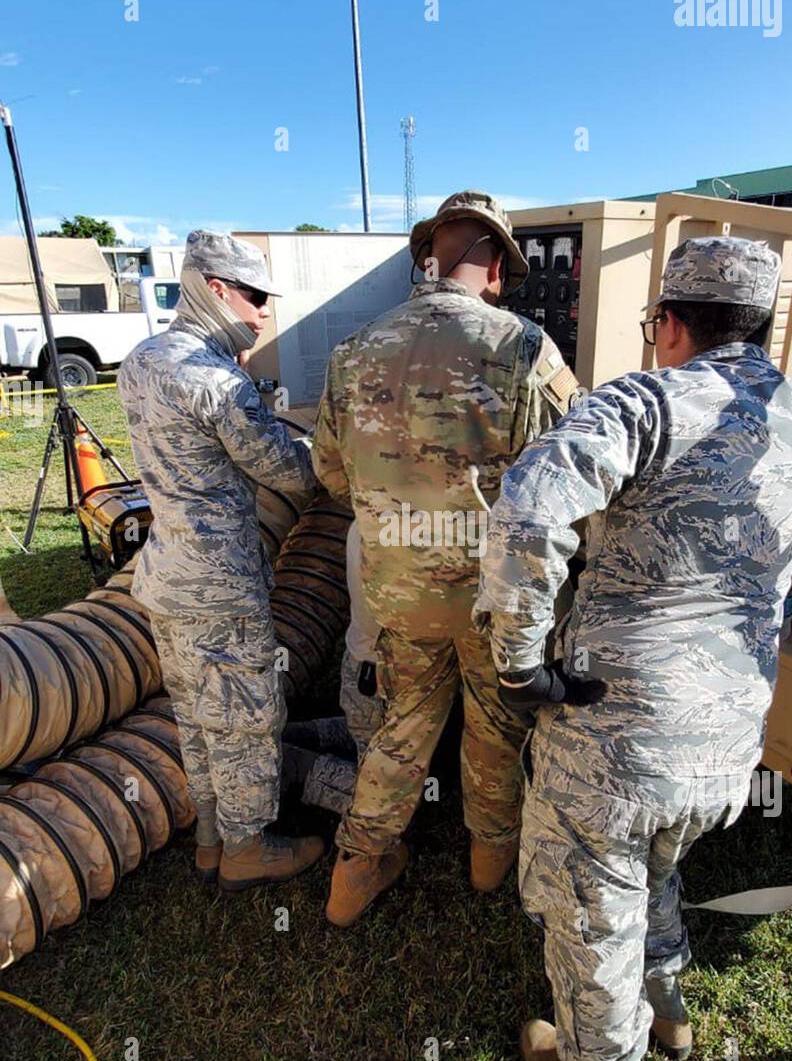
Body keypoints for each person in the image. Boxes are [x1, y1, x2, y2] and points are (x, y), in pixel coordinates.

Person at [475, 236, 792, 1061]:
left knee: (594, 903)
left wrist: (518, 663)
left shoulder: (644, 400)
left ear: (669, 323)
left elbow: (526, 510)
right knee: (656, 864)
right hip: (726, 739)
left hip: (618, 735)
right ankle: (669, 1012)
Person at [312, 190, 580, 927]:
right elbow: (565, 482)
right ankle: (489, 865)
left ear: (432, 252)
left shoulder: (353, 351)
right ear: (491, 260)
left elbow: (332, 473)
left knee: (402, 730)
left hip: (398, 590)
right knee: (495, 732)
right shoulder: (524, 349)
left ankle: (356, 871)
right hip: (492, 600)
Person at [118, 230, 324, 892]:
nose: (263, 313)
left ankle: (208, 837)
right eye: (255, 297)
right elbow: (285, 471)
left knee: (197, 714)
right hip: (220, 587)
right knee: (246, 717)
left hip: (165, 577)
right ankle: (247, 847)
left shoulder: (142, 359)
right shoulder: (213, 379)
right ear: (214, 289)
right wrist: (336, 455)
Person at [280, 521, 384, 817]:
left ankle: (299, 741)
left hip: (367, 673)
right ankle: (299, 765)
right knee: (388, 792)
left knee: (368, 726)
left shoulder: (365, 524)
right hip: (384, 675)